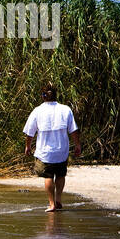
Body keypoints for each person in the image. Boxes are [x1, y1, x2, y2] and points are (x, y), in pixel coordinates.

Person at [23, 84, 80, 212]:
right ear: (55, 95)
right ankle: (58, 199)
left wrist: (27, 146)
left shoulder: (37, 111)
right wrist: (77, 145)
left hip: (45, 152)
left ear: (43, 96)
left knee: (48, 176)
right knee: (60, 174)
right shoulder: (65, 110)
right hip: (62, 150)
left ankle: (51, 204)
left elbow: (29, 132)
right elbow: (74, 130)